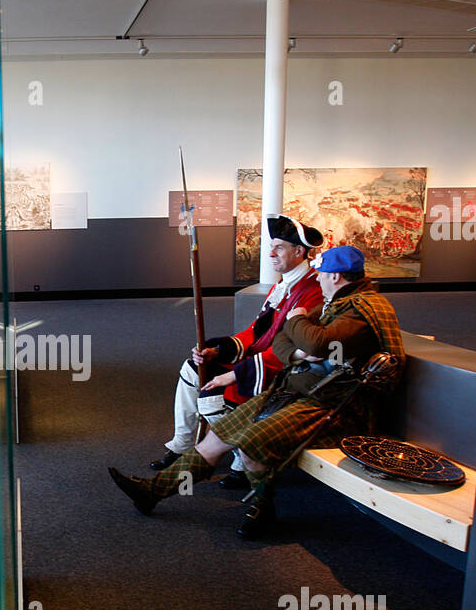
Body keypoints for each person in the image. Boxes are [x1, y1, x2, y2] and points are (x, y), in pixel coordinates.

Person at [110, 245, 406, 539]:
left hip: (327, 403)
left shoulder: (359, 311)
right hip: (296, 388)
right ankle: (153, 492)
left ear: (338, 277)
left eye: (324, 274)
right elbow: (281, 341)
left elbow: (318, 343)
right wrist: (300, 351)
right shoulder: (337, 302)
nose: (318, 279)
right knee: (216, 437)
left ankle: (262, 510)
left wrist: (297, 322)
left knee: (252, 445)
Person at [151, 214, 324, 490]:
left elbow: (292, 350)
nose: (271, 253)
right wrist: (218, 351)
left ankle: (241, 461)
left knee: (212, 395)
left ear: (299, 251)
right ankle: (183, 444)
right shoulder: (283, 285)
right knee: (193, 368)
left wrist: (236, 374)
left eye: (278, 247)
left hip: (279, 370)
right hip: (257, 358)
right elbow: (256, 331)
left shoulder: (312, 291)